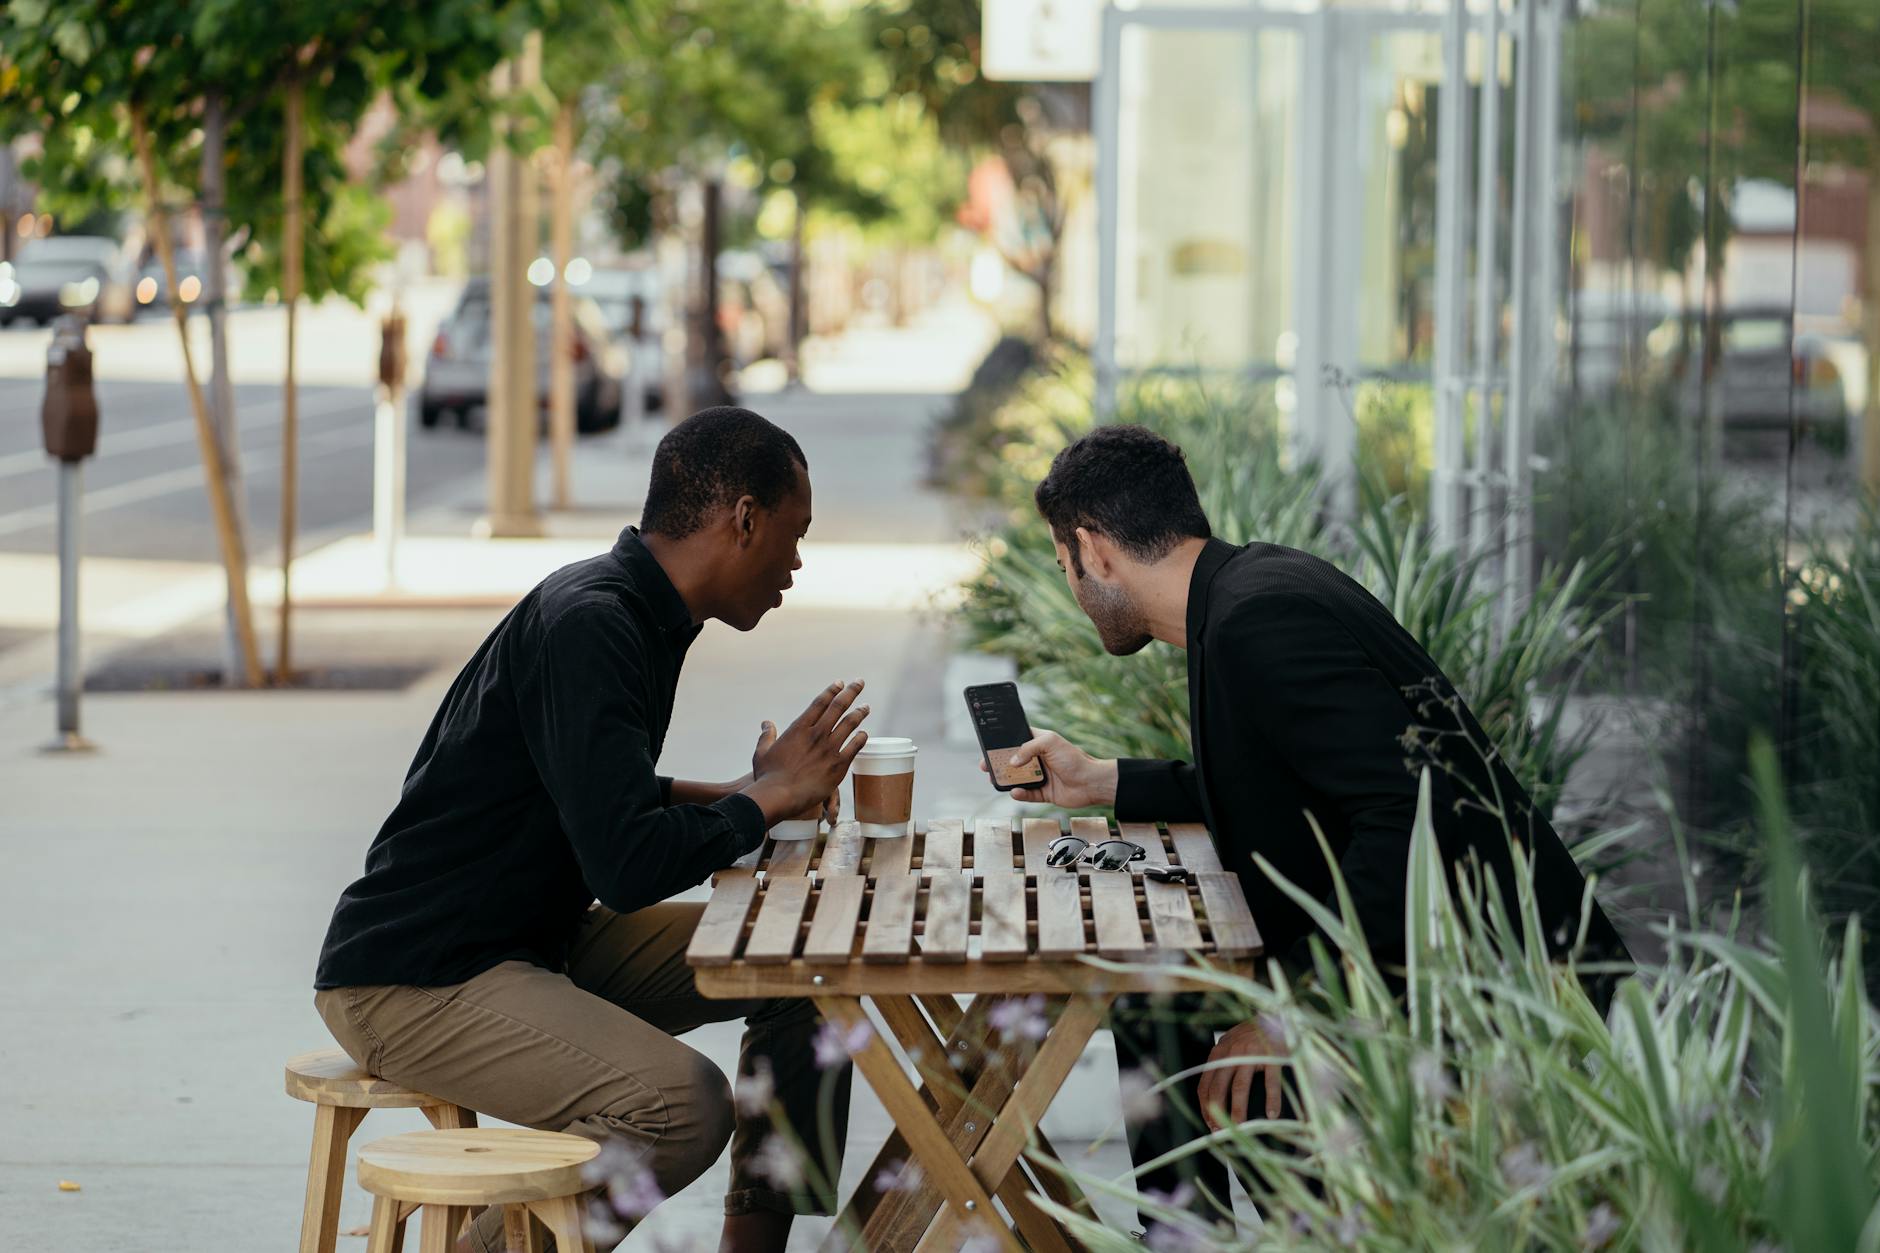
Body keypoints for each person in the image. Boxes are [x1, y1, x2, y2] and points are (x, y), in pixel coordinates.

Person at [989, 424, 1629, 1223]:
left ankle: (1249, 1228)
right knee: (1163, 1001)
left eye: (1065, 569)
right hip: (1425, 958)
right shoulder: (1243, 593)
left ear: (1094, 549)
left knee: (1204, 1048)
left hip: (1485, 992)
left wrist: (1288, 1010)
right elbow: (1281, 782)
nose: (1073, 591)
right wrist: (1103, 779)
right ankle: (1182, 1236)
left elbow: (1409, 815)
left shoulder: (1258, 623)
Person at [314, 407, 868, 1253]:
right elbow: (627, 862)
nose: (795, 564)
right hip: (417, 975)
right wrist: (760, 802)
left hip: (531, 943)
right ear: (744, 518)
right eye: (794, 537)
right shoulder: (593, 621)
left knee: (800, 968)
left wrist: (748, 791)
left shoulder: (644, 613)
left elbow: (585, 786)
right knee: (684, 1105)